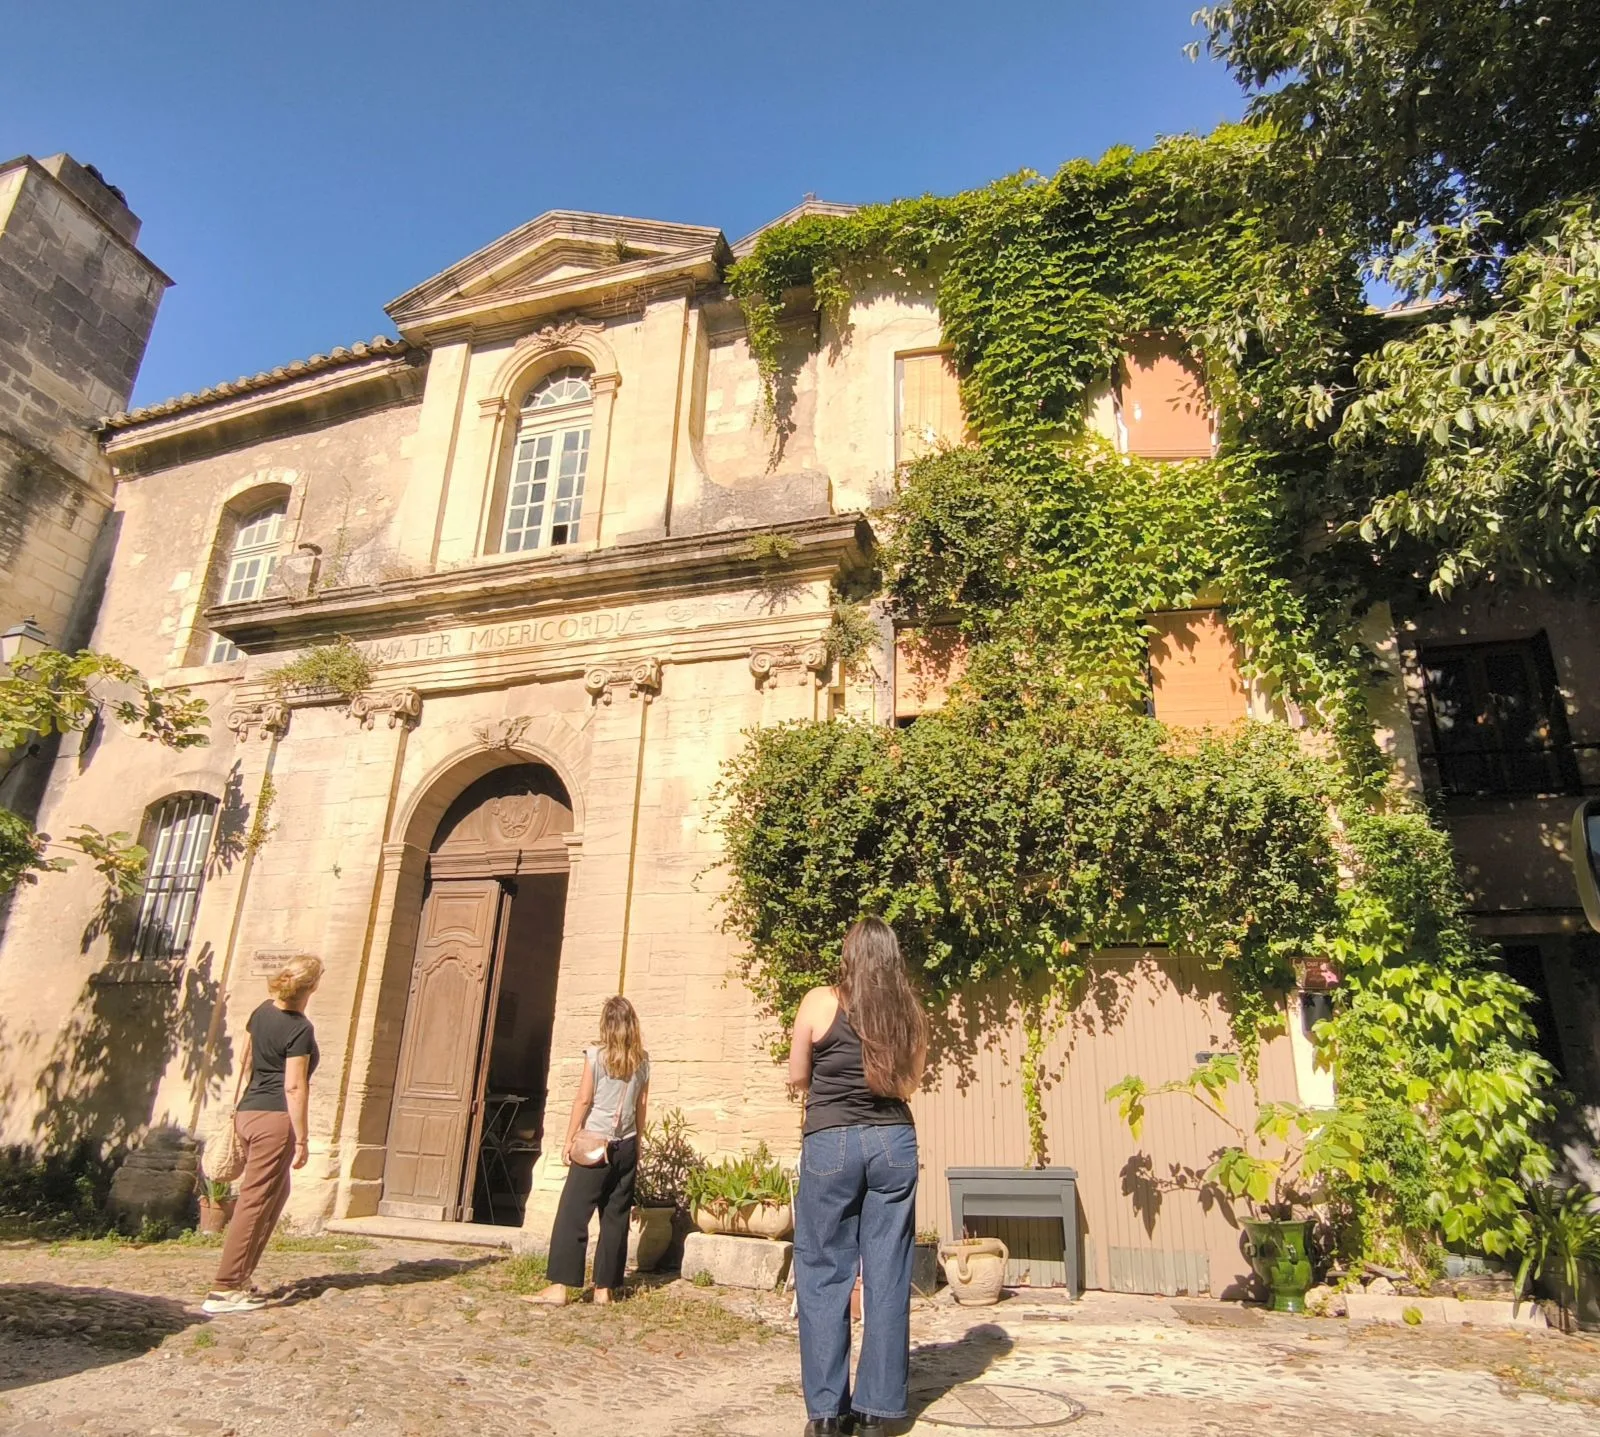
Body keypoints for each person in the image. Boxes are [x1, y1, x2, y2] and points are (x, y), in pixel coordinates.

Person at [788, 916, 928, 1437]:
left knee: (824, 1270)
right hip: (893, 1140)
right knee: (888, 1273)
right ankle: (878, 1412)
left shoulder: (818, 1002)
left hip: (830, 1142)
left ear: (849, 954)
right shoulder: (910, 1012)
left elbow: (798, 1074)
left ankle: (827, 1414)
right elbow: (910, 1082)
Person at [203, 953, 323, 1314]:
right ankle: (224, 1287)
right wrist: (301, 1138)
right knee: (256, 1200)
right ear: (312, 986)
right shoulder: (300, 1028)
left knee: (275, 1194)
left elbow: (246, 1060)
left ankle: (240, 1277)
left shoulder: (260, 1013)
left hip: (249, 1112)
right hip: (274, 1118)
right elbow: (295, 1087)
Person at [530, 995, 650, 1306]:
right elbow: (641, 1105)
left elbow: (584, 1099)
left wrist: (570, 1138)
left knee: (573, 1214)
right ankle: (604, 1289)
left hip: (595, 1144)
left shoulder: (596, 1056)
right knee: (615, 1216)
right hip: (626, 1144)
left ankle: (560, 1286)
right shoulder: (642, 1061)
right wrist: (637, 1143)